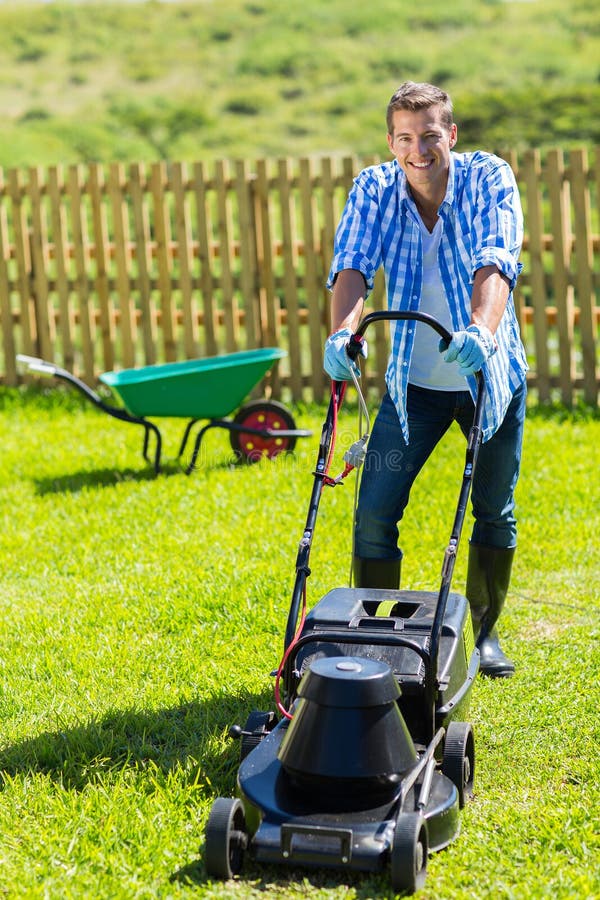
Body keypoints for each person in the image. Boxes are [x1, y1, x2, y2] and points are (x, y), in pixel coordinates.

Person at [323, 81, 527, 678]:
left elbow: (497, 260)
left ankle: (485, 635)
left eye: (430, 136)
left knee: (493, 507)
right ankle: (376, 629)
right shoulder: (373, 189)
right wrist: (342, 334)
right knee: (375, 509)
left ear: (451, 136)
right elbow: (353, 265)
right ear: (391, 142)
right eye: (406, 138)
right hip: (412, 385)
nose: (419, 150)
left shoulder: (489, 178)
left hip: (485, 375)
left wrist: (482, 333)